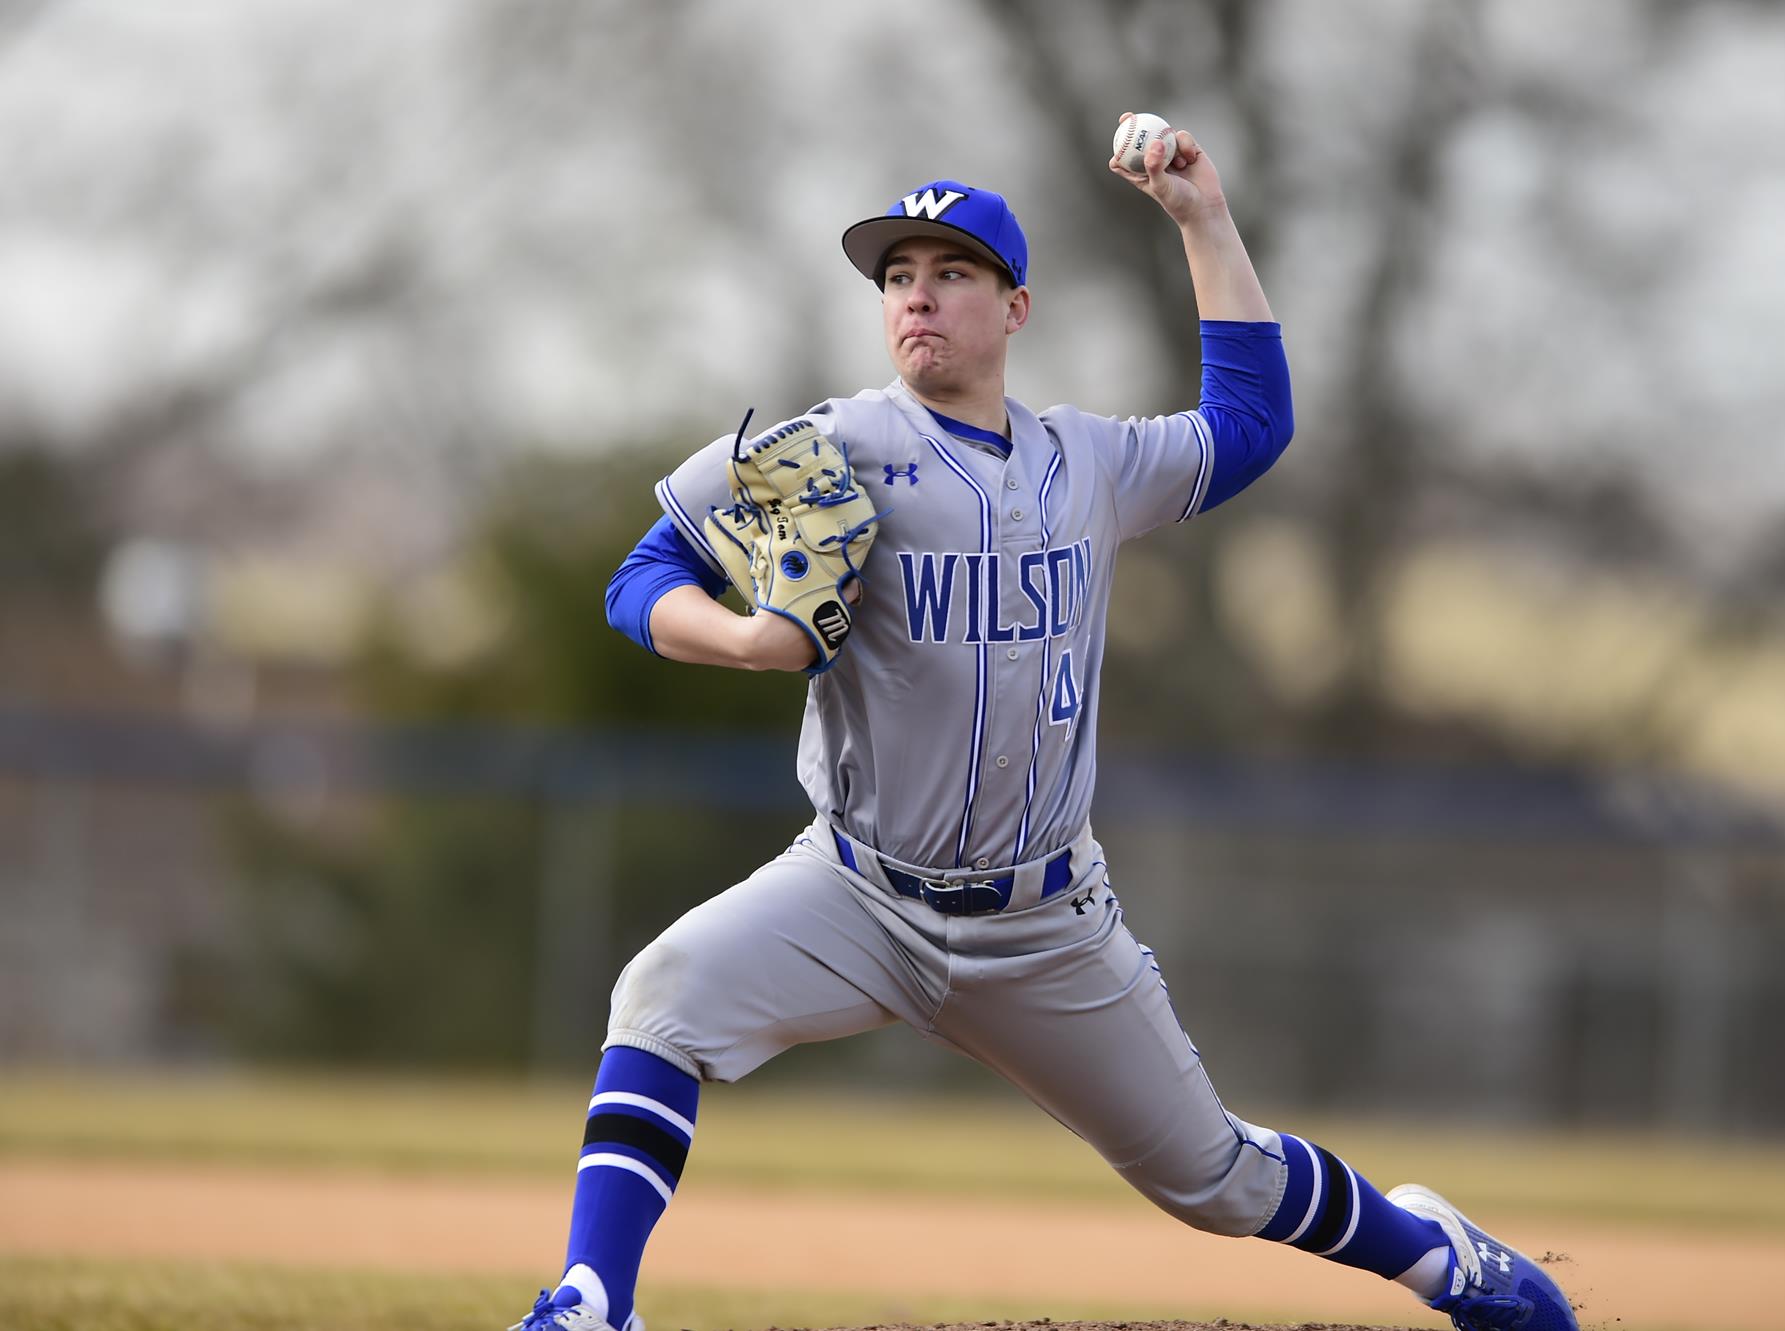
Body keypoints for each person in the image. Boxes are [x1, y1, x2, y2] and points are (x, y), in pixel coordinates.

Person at [512, 117, 1580, 1331]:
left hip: (1044, 924)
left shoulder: (1089, 465)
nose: (918, 298)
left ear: (1013, 308)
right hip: (856, 892)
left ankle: (1444, 1260)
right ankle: (592, 1300)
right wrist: (750, 636)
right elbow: (637, 578)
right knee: (662, 995)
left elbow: (1251, 425)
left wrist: (1202, 222)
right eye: (897, 277)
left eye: (951, 273)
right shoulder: (827, 447)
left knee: (1215, 1179)